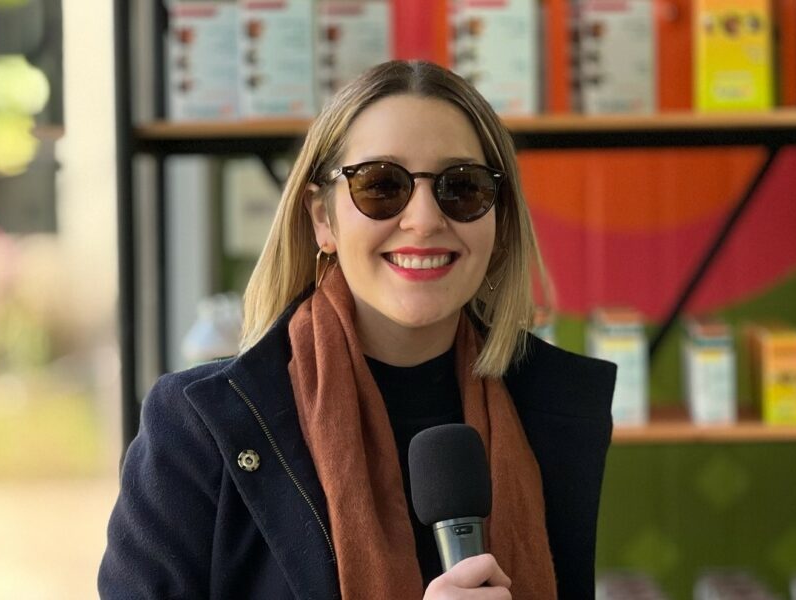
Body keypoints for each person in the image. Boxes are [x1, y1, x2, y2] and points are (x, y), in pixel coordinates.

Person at [99, 60, 616, 599]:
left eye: (461, 188)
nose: (424, 220)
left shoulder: (555, 408)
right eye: (381, 186)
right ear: (323, 218)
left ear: (498, 220)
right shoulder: (196, 427)